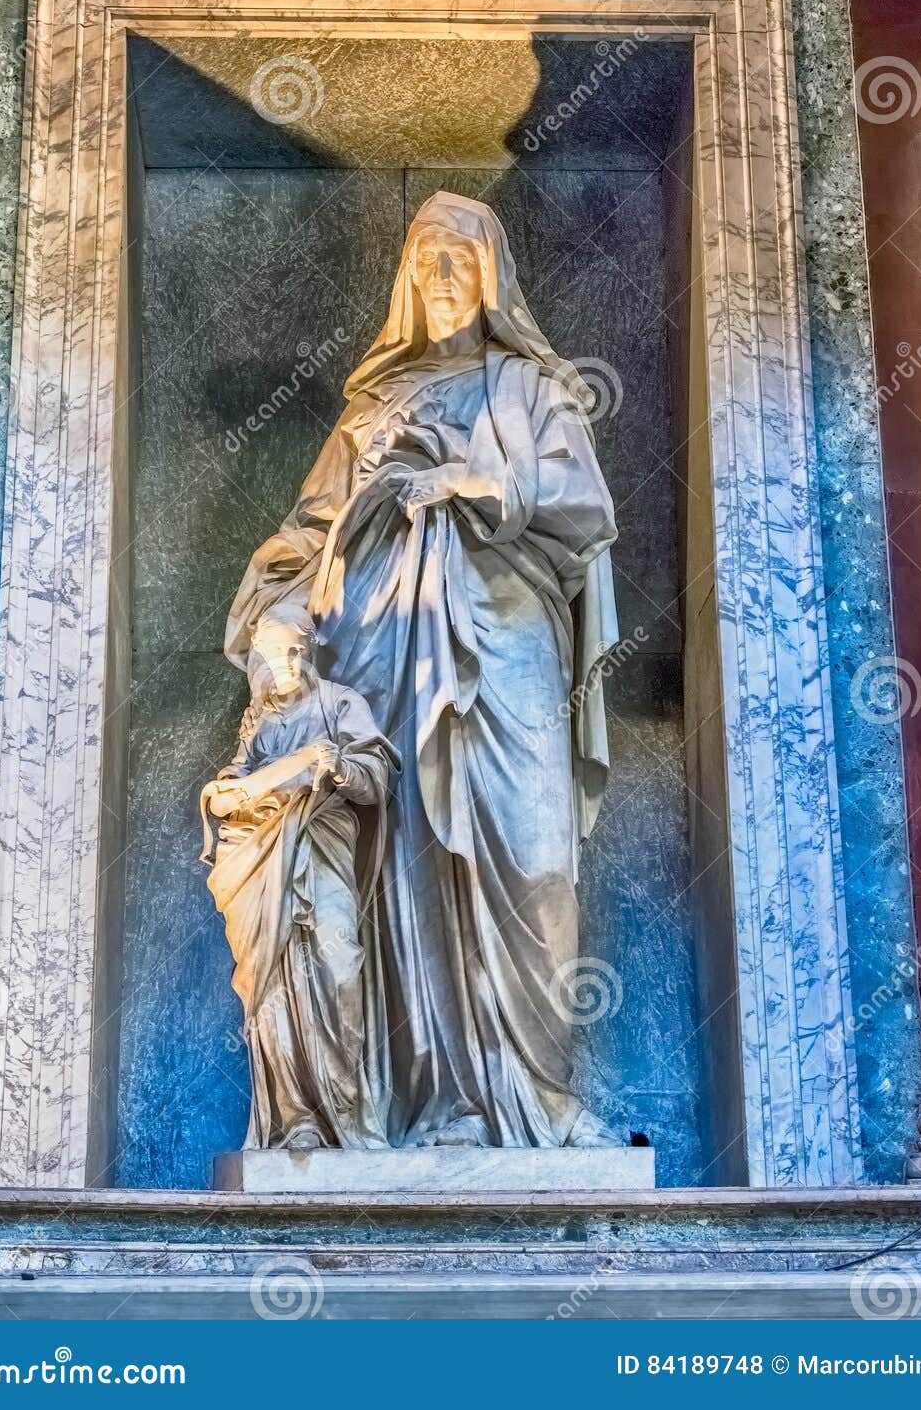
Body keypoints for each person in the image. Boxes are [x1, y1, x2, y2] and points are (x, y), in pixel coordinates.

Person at [225, 192, 620, 1149]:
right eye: (428, 260)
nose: (445, 278)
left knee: (533, 860)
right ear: (407, 279)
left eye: (463, 260)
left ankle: (541, 1102)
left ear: (494, 277)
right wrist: (281, 612)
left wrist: (466, 481)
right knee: (397, 857)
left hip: (510, 640)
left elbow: (581, 504)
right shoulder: (369, 411)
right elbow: (302, 538)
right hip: (378, 646)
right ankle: (418, 1102)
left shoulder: (535, 389)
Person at [201, 601, 398, 1150]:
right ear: (261, 654)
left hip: (322, 851)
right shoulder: (258, 719)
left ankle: (347, 1111)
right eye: (274, 652)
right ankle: (296, 1120)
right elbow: (235, 781)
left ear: (310, 649)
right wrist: (228, 789)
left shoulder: (340, 704)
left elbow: (377, 777)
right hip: (260, 862)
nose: (285, 661)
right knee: (269, 985)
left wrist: (340, 766)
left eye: (295, 650)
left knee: (341, 969)